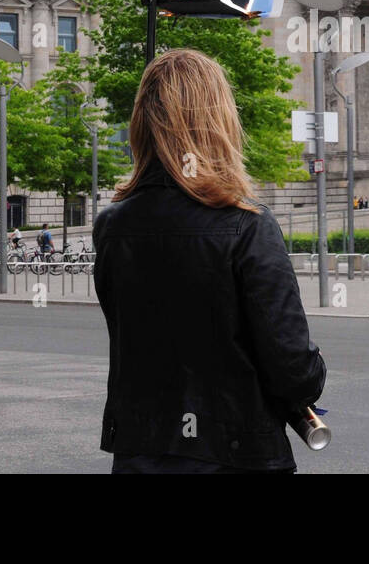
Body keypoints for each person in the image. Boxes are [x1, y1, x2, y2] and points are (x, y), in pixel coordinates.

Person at [94, 49, 326, 473]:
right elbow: (293, 367)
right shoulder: (247, 225)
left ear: (142, 123)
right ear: (218, 122)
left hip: (142, 451)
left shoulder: (112, 227)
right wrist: (314, 374)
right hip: (236, 453)